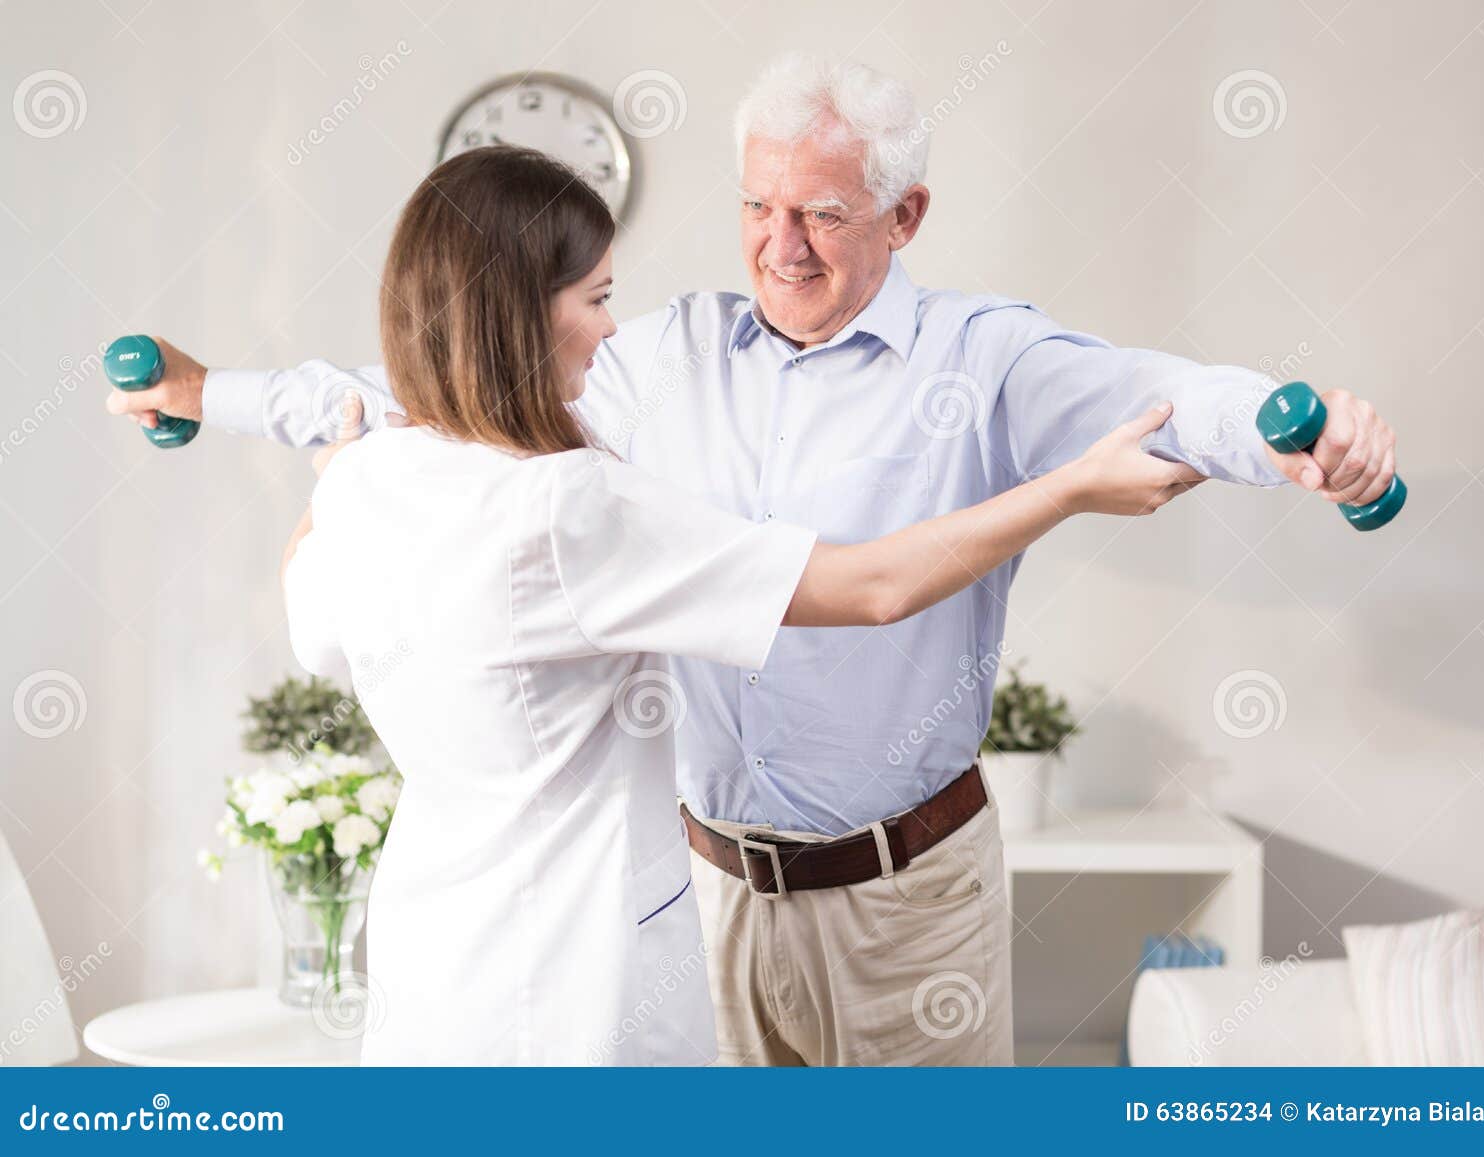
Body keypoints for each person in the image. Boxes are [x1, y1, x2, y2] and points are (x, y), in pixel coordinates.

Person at [107, 54, 1398, 1066]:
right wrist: (218, 394)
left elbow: (1162, 397)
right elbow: (446, 399)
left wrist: (1303, 433)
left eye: (822, 213)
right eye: (757, 206)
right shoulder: (654, 359)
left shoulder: (985, 359)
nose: (780, 243)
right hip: (700, 893)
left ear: (907, 214)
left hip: (905, 898)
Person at [277, 145, 1207, 1065]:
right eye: (597, 298)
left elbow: (312, 618)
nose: (612, 333)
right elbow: (872, 586)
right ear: (516, 316)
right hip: (577, 989)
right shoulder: (568, 508)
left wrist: (331, 475)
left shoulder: (367, 482)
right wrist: (1073, 487)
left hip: (435, 972)